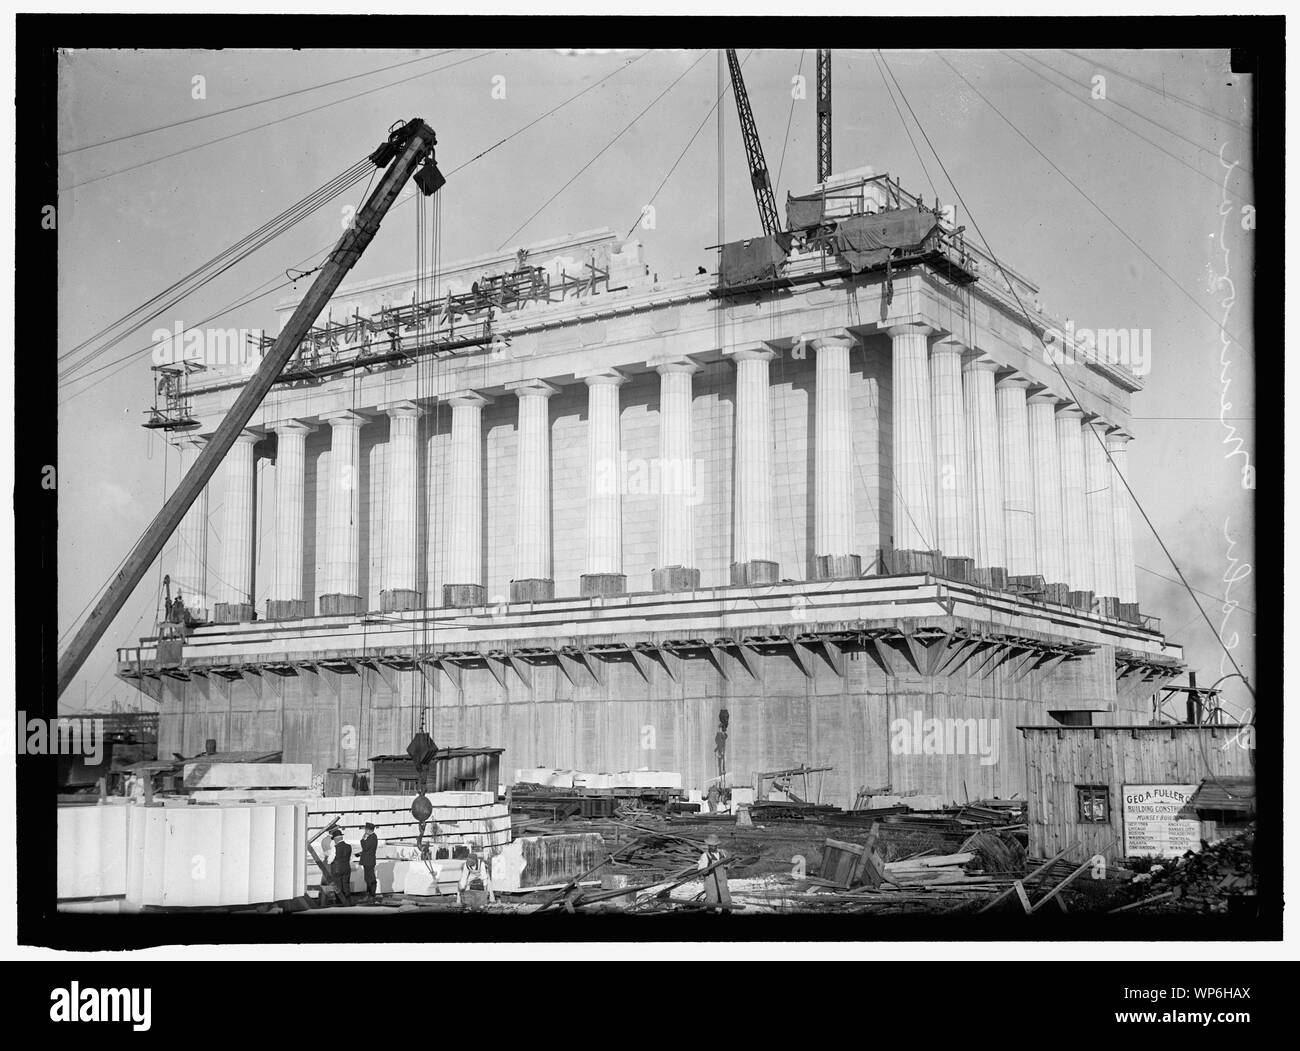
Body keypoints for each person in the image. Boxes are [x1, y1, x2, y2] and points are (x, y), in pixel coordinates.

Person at [697, 834, 732, 912]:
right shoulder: (705, 856)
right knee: (712, 902)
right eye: (710, 845)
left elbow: (728, 865)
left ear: (716, 845)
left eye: (713, 845)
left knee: (726, 901)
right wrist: (706, 870)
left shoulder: (722, 854)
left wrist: (726, 865)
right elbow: (701, 870)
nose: (711, 847)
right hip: (711, 883)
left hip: (722, 882)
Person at [327, 828, 353, 904]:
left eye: (334, 839)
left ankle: (340, 902)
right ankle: (348, 901)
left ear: (336, 839)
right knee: (346, 885)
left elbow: (330, 860)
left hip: (337, 869)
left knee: (338, 886)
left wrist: (328, 859)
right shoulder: (349, 846)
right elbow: (350, 858)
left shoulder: (335, 847)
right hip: (347, 868)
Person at [359, 822, 379, 899]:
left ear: (368, 830)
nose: (364, 831)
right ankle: (369, 893)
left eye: (365, 829)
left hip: (369, 861)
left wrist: (362, 840)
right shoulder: (371, 837)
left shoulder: (373, 837)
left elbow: (366, 847)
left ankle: (372, 894)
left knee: (370, 877)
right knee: (367, 878)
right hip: (367, 860)